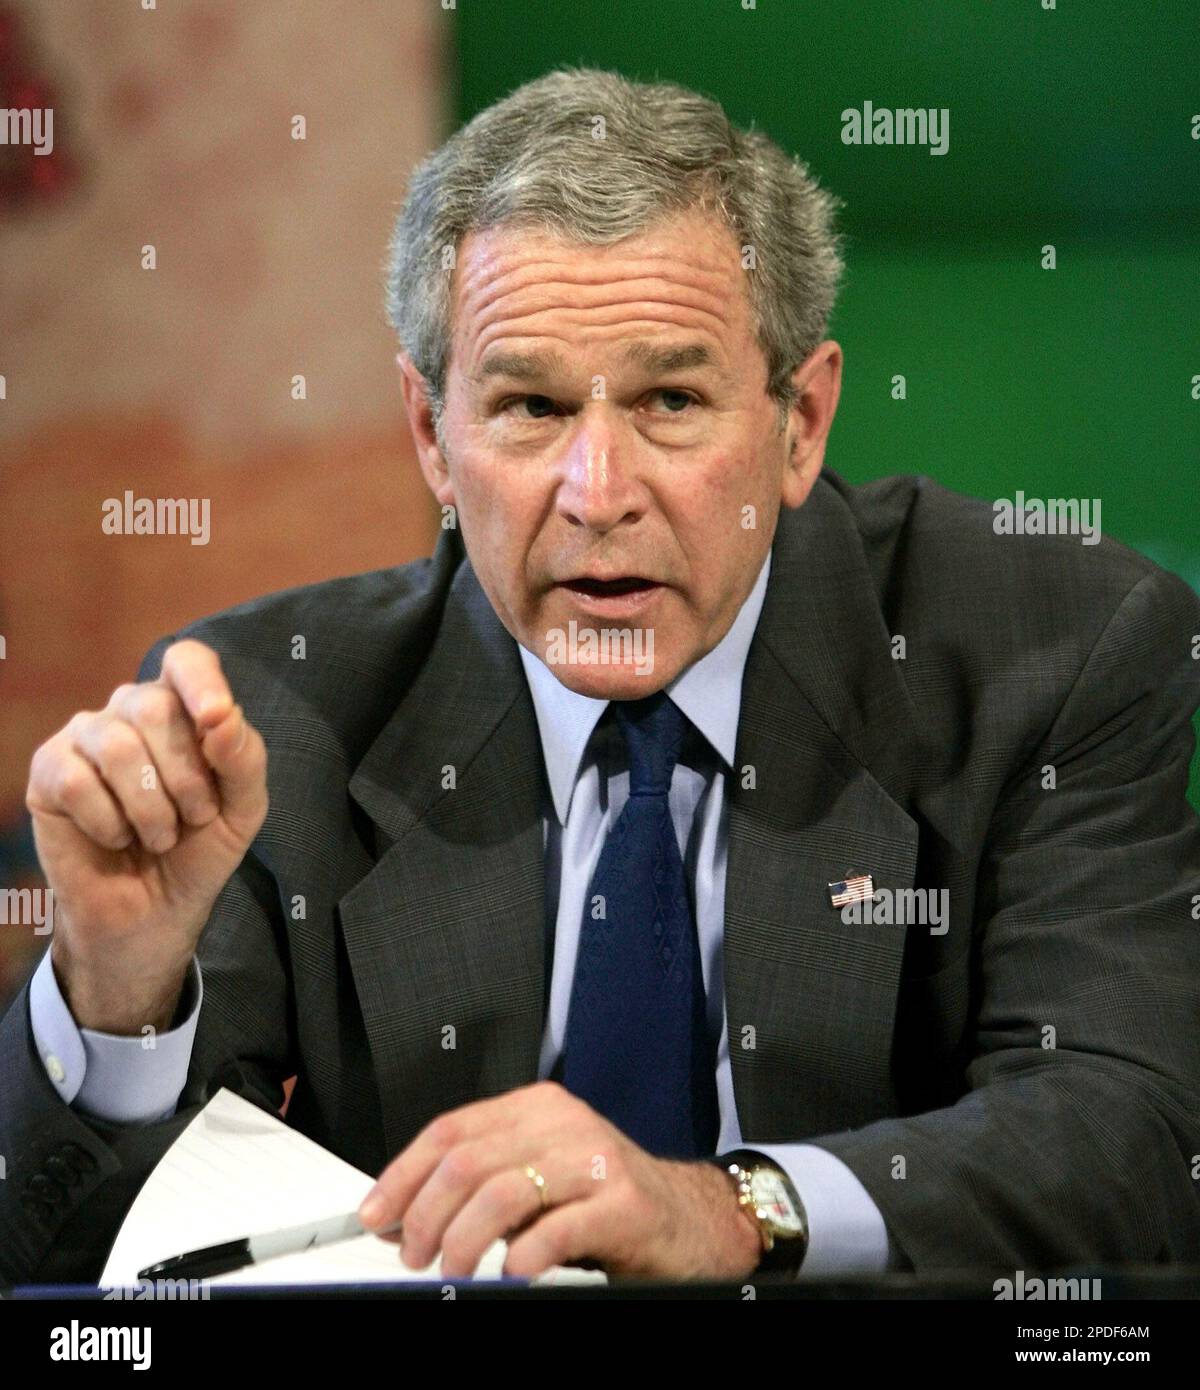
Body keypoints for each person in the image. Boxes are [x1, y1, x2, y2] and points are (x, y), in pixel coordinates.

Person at [3, 67, 1199, 1287]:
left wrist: (734, 1211)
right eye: (526, 406)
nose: (598, 492)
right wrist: (118, 996)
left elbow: (1126, 1134)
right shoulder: (277, 715)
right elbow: (87, 1268)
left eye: (672, 399)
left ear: (801, 423)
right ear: (431, 434)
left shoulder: (1050, 651)